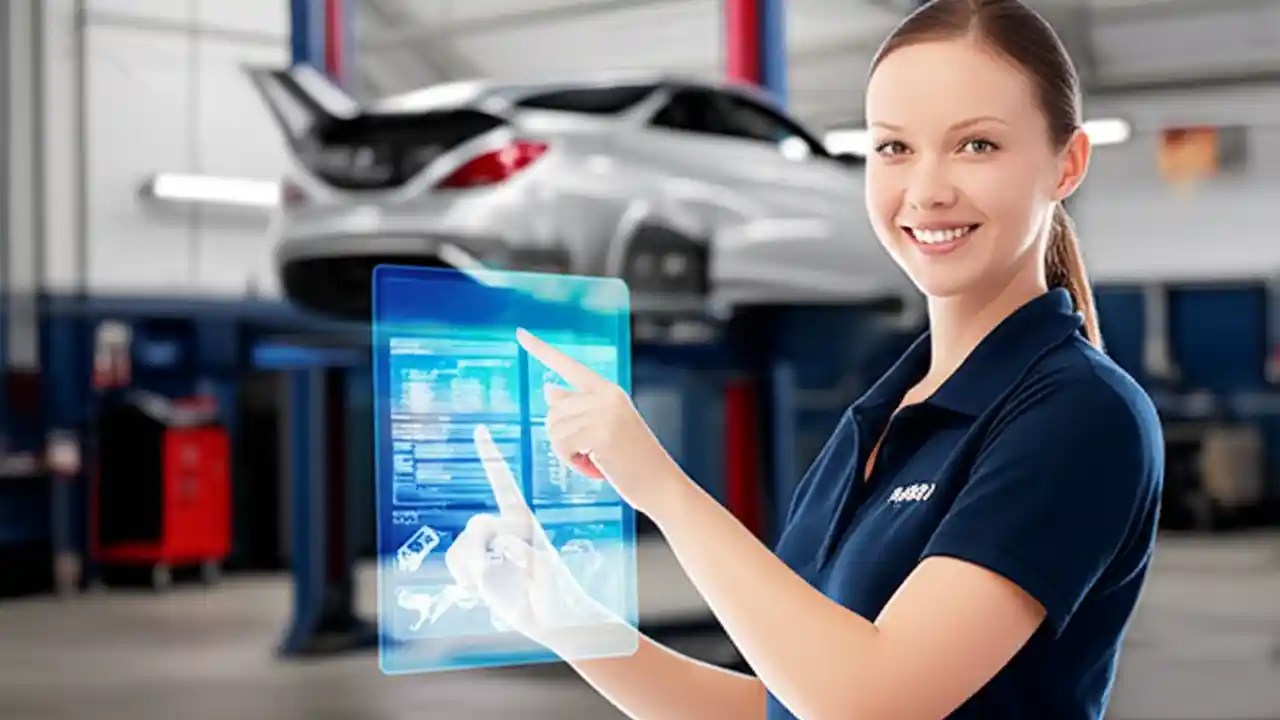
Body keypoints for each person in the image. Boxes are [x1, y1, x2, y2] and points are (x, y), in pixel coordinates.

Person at [444, 0, 1164, 717]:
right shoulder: (878, 419)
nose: (928, 190)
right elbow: (782, 707)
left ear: (1066, 162)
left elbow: (871, 702)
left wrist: (660, 486)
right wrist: (566, 618)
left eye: (976, 145)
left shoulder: (1079, 415)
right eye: (893, 147)